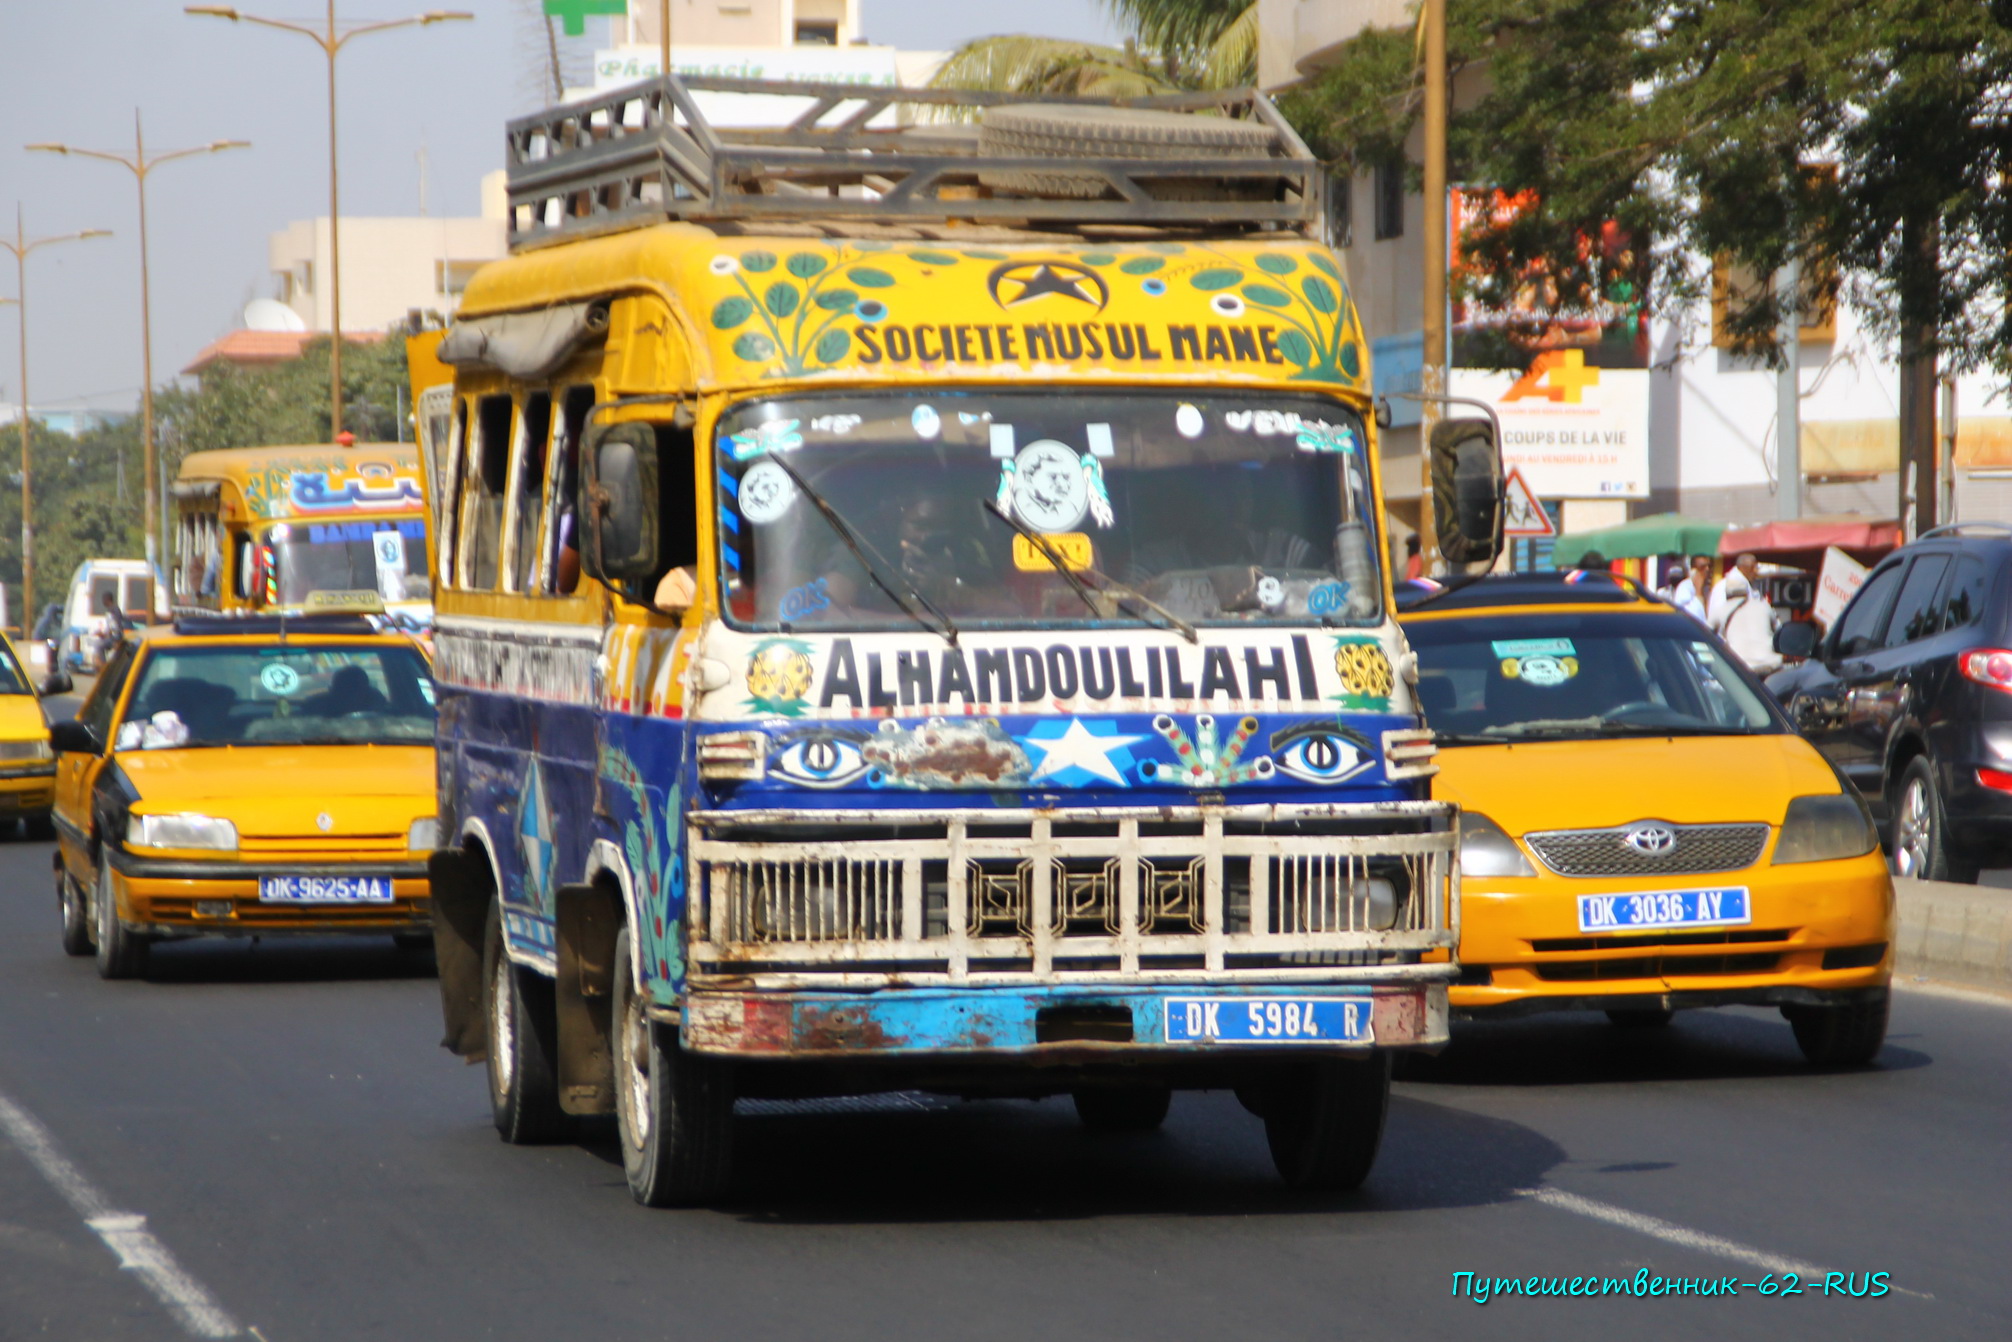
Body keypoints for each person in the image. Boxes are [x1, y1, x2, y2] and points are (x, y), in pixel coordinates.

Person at [1713, 563, 1781, 674]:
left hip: (1741, 667)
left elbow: (1707, 633)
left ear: (1727, 594)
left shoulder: (1721, 609)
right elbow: (1778, 629)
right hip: (1770, 664)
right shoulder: (1763, 605)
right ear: (1747, 592)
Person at [1708, 552, 1762, 629]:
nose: (1756, 572)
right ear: (1745, 568)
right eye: (1753, 567)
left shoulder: (1726, 582)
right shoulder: (1735, 584)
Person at [1672, 554, 1712, 623]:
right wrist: (1698, 590)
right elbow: (1695, 615)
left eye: (1709, 566)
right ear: (1693, 570)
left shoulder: (1708, 588)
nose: (1707, 569)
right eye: (1702, 567)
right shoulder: (1684, 588)